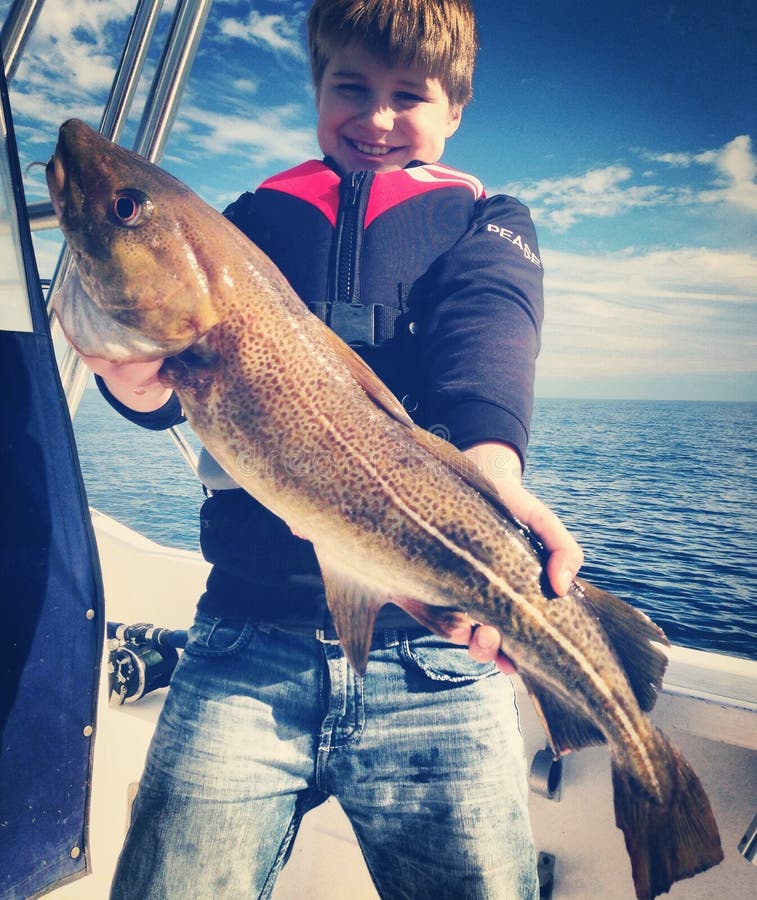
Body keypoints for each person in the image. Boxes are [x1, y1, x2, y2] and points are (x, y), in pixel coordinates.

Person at [83, 1, 583, 897]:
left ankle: (653, 784)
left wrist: (493, 472)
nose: (377, 117)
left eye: (409, 95)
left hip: (434, 659)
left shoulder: (483, 220)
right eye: (350, 86)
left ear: (456, 107)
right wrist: (133, 385)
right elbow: (173, 401)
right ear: (316, 88)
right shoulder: (248, 219)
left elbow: (489, 340)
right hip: (244, 637)